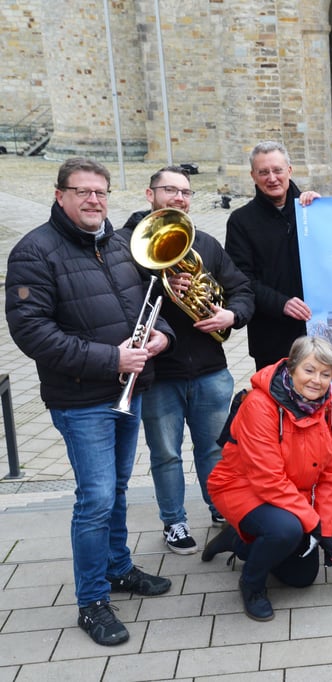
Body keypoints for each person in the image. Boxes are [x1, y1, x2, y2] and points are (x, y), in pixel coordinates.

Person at [5, 157, 175, 646]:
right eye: (83, 192)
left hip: (126, 390)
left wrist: (161, 337)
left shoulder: (119, 242)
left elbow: (147, 301)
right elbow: (32, 333)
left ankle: (119, 568)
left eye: (101, 192)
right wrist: (111, 360)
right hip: (82, 399)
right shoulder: (34, 252)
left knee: (119, 488)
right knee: (96, 499)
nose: (94, 200)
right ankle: (92, 600)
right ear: (60, 195)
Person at [121, 166, 255, 554]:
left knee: (215, 448)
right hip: (160, 373)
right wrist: (161, 284)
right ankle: (174, 522)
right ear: (150, 195)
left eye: (186, 192)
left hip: (211, 369)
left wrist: (232, 315)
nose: (180, 198)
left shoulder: (205, 243)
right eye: (170, 190)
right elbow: (122, 302)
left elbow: (241, 288)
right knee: (165, 455)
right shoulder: (126, 246)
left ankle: (220, 507)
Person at [201, 336, 332, 622]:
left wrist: (324, 528)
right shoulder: (259, 405)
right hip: (241, 486)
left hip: (286, 495)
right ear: (291, 368)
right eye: (309, 370)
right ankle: (252, 585)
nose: (317, 380)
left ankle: (238, 541)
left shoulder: (328, 407)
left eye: (325, 374)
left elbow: (330, 474)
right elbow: (267, 479)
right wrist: (311, 522)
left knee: (302, 577)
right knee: (285, 530)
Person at [225, 141, 320, 370]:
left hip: (318, 332)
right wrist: (281, 303)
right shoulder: (241, 221)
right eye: (263, 172)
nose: (272, 178)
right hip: (271, 337)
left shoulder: (313, 210)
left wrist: (325, 211)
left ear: (289, 170)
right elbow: (240, 279)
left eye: (277, 170)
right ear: (253, 176)